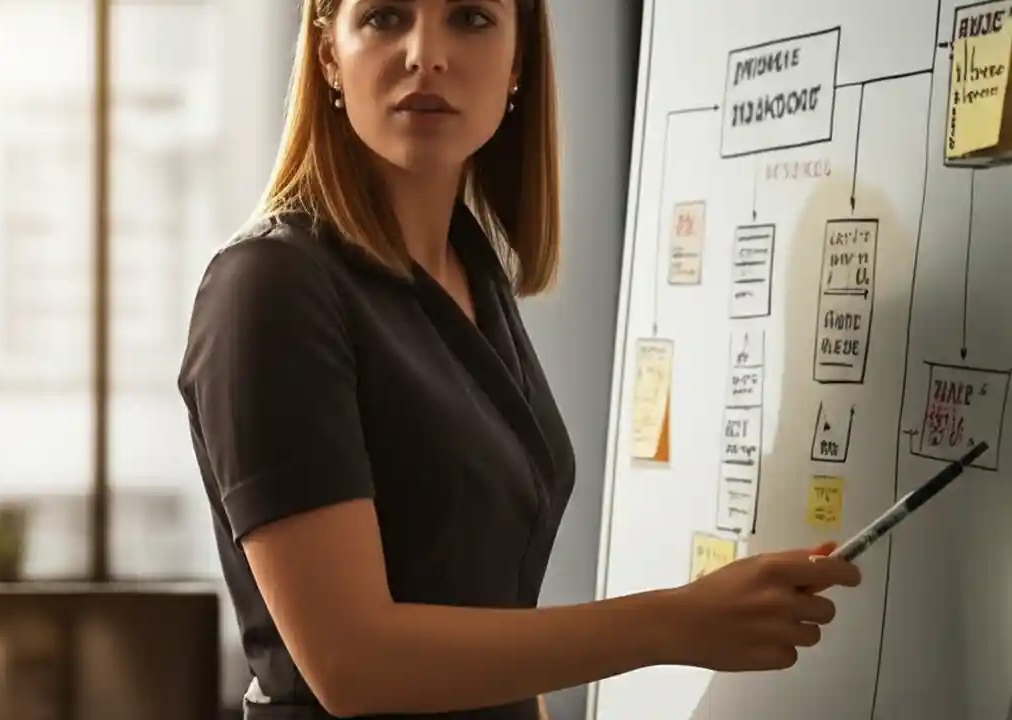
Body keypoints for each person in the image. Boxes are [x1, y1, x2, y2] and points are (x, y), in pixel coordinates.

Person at [177, 1, 863, 718]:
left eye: (470, 17)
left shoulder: (473, 273)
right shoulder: (271, 285)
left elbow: (496, 608)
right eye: (384, 16)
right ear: (327, 57)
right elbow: (352, 664)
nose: (426, 54)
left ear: (518, 64)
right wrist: (677, 622)